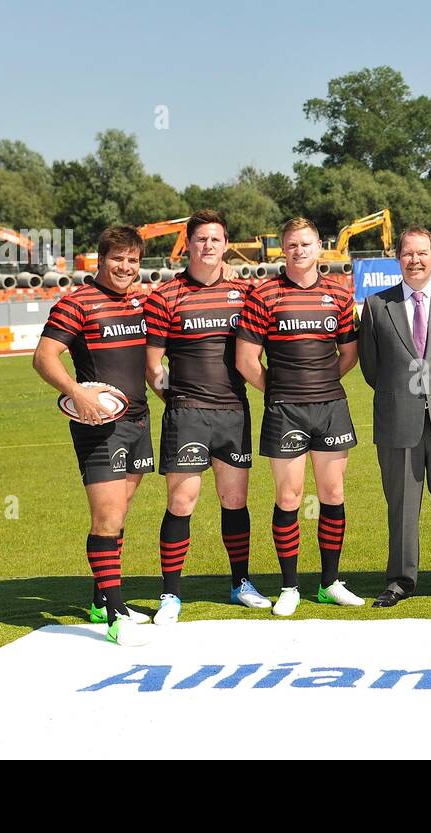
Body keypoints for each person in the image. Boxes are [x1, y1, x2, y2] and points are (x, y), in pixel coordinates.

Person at [144, 209, 269, 626]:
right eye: (201, 239)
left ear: (225, 243)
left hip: (233, 412)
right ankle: (170, 594)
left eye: (216, 239)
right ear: (189, 243)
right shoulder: (166, 296)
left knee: (234, 501)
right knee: (182, 502)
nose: (208, 246)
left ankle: (241, 583)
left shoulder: (245, 293)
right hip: (187, 414)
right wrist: (178, 402)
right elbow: (152, 364)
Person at [33, 225, 154, 646]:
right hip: (99, 426)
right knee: (106, 517)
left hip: (139, 422)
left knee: (120, 514)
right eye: (118, 258)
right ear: (101, 259)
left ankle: (102, 600)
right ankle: (116, 617)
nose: (125, 267)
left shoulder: (142, 302)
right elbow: (44, 357)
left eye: (133, 260)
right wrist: (75, 393)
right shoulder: (77, 303)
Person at [235, 217, 363, 616]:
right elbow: (246, 360)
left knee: (332, 494)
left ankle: (329, 582)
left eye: (306, 244)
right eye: (291, 245)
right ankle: (289, 585)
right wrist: (280, 391)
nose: (299, 251)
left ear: (319, 246)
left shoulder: (339, 295)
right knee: (289, 497)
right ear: (283, 250)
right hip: (285, 411)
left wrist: (319, 384)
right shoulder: (264, 295)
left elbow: (349, 353)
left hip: (330, 407)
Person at [358, 227, 431, 607]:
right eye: (408, 253)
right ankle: (400, 581)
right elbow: (372, 369)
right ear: (398, 259)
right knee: (403, 507)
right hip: (398, 422)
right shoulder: (377, 305)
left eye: (422, 253)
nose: (415, 260)